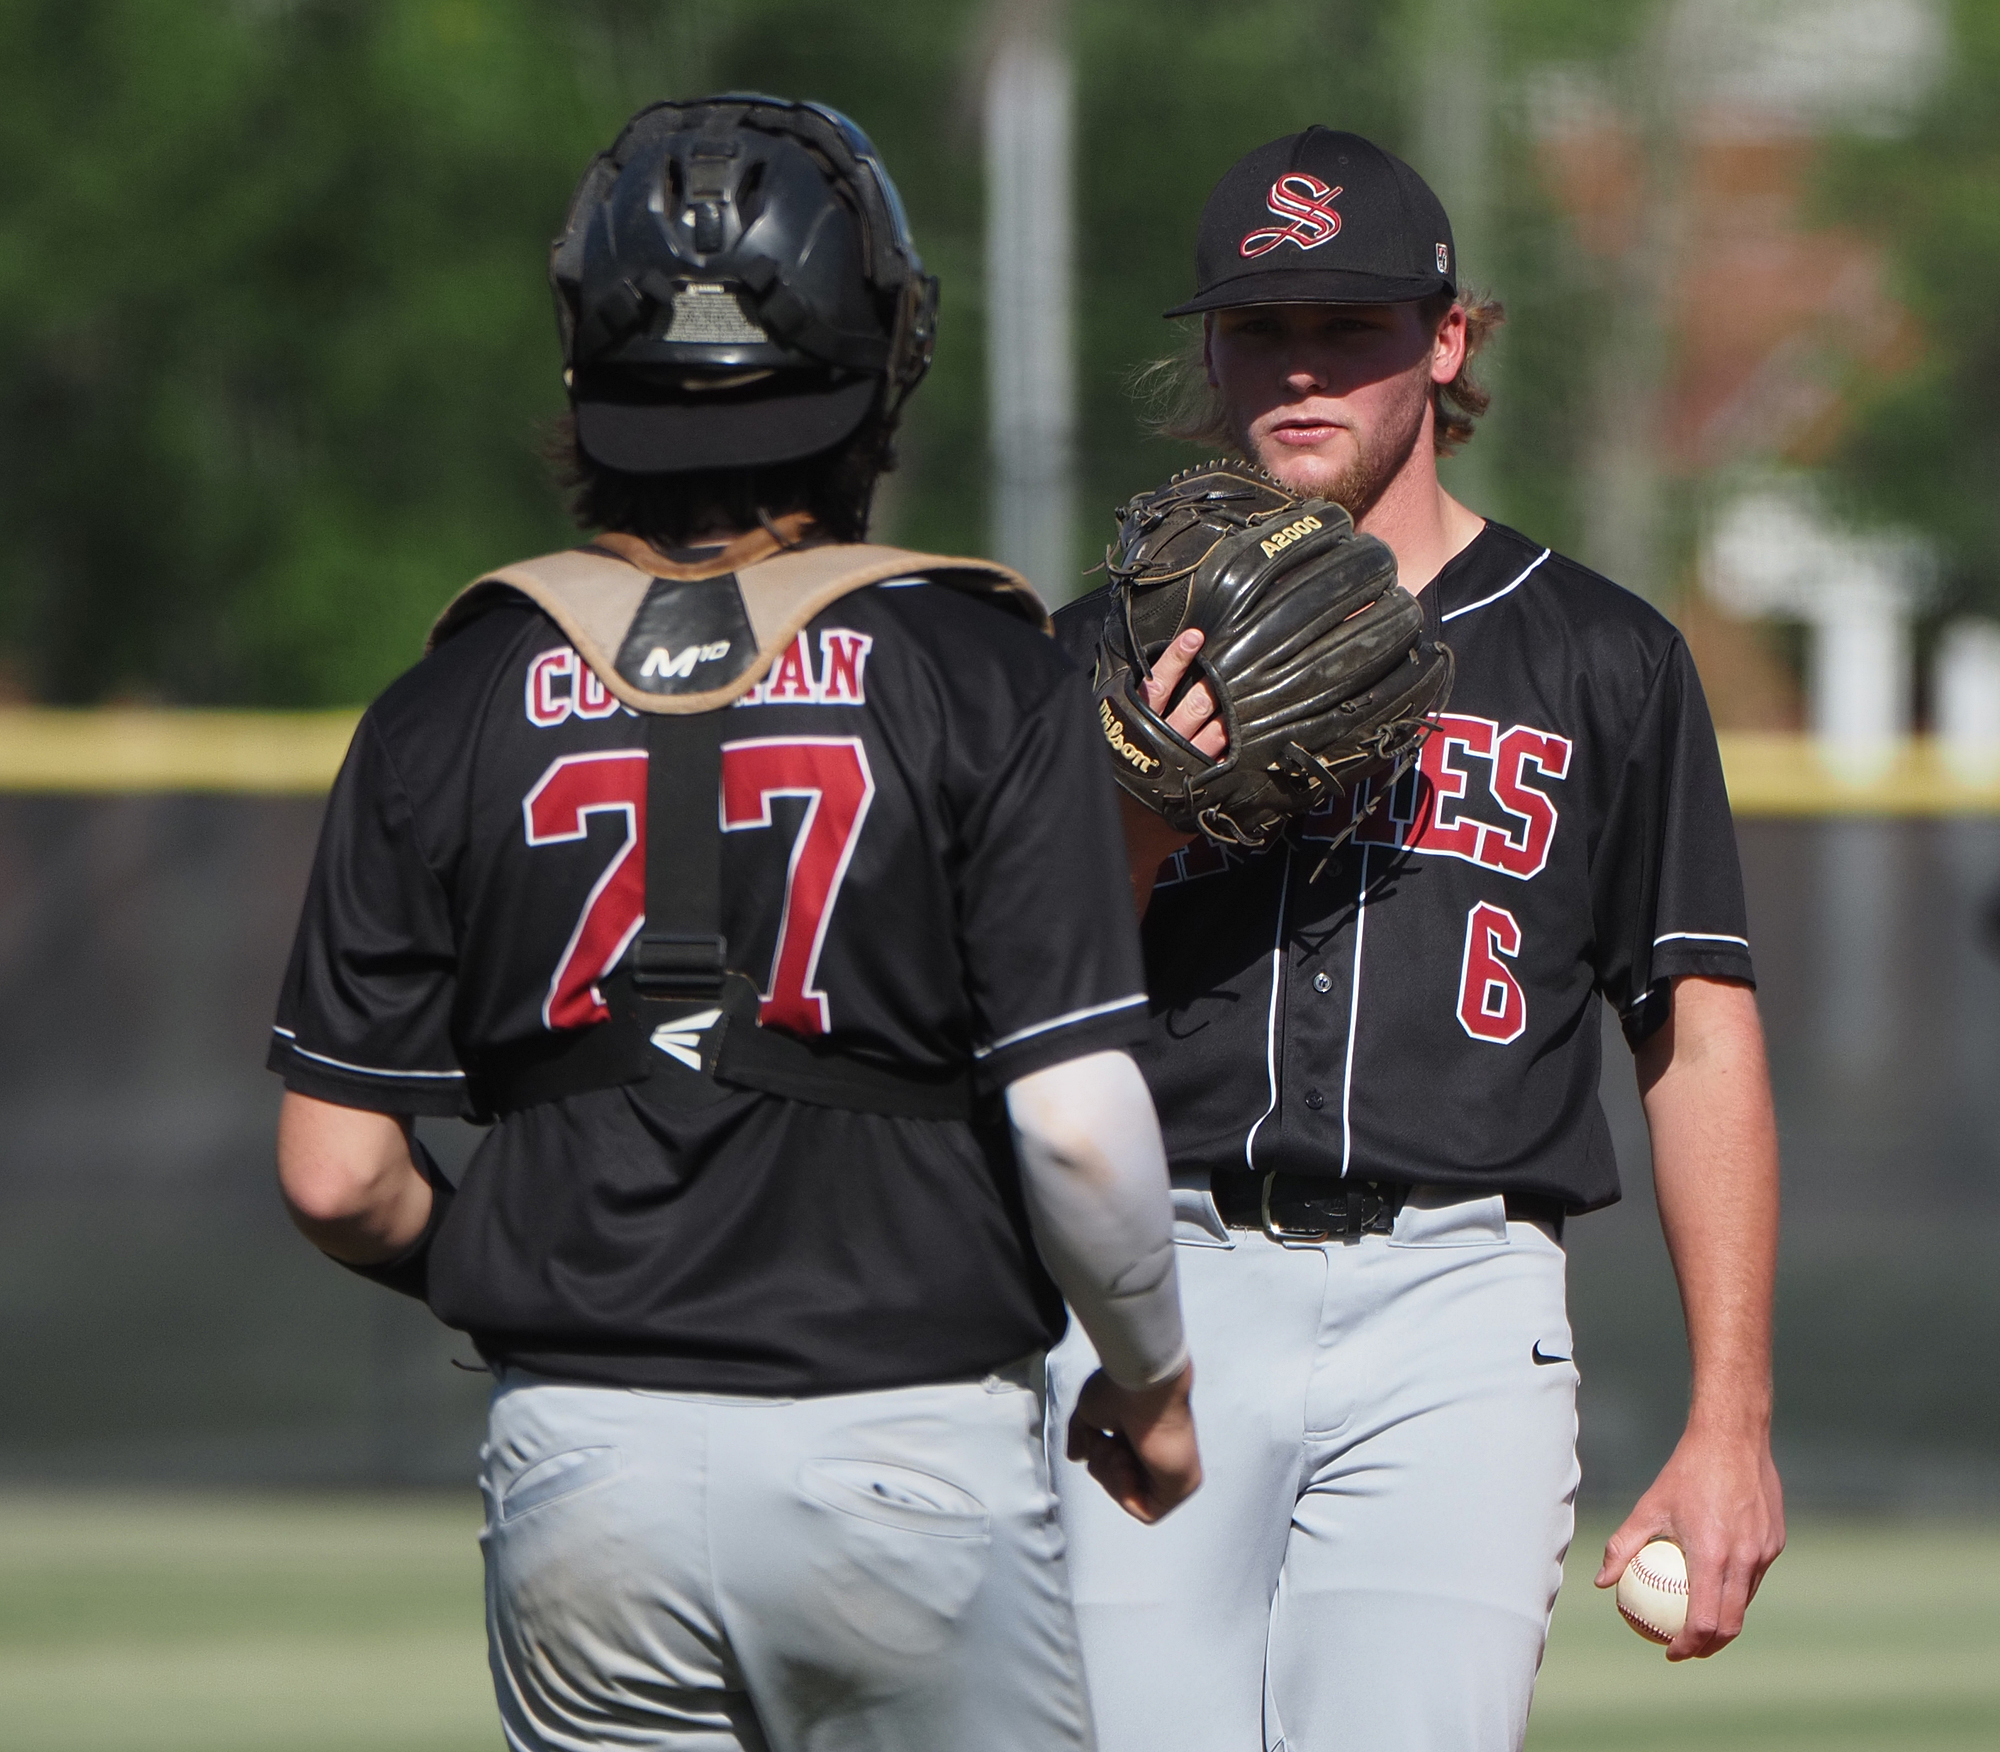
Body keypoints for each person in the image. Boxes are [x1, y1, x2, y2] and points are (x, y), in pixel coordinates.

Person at [268, 94, 1199, 1752]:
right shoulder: (985, 675)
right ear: (882, 356)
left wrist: (493, 1264)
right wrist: (1152, 1382)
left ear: (585, 363)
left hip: (582, 1468)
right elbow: (1073, 1128)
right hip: (902, 1447)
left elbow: (337, 1172)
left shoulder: (448, 697)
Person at [1048, 126, 1785, 1752]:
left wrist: (1731, 1419)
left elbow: (1697, 1030)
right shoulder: (1098, 653)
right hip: (1146, 1285)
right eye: (1261, 330)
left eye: (1353, 327)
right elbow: (1001, 997)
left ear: (1448, 342)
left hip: (1459, 1302)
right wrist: (1144, 807)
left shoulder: (1603, 656)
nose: (1302, 370)